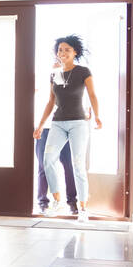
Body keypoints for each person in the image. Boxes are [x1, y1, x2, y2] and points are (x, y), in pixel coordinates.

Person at [33, 35, 102, 221]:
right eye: (60, 49)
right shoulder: (54, 74)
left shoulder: (83, 72)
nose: (62, 53)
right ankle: (56, 201)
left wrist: (97, 116)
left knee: (78, 165)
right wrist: (40, 125)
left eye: (67, 50)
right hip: (57, 123)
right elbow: (50, 101)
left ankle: (83, 208)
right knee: (47, 160)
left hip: (78, 123)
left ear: (75, 52)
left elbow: (93, 95)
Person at [35, 56, 77, 215]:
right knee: (43, 166)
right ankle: (42, 203)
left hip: (64, 127)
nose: (58, 62)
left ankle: (72, 202)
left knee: (68, 165)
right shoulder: (41, 79)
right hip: (45, 128)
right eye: (56, 59)